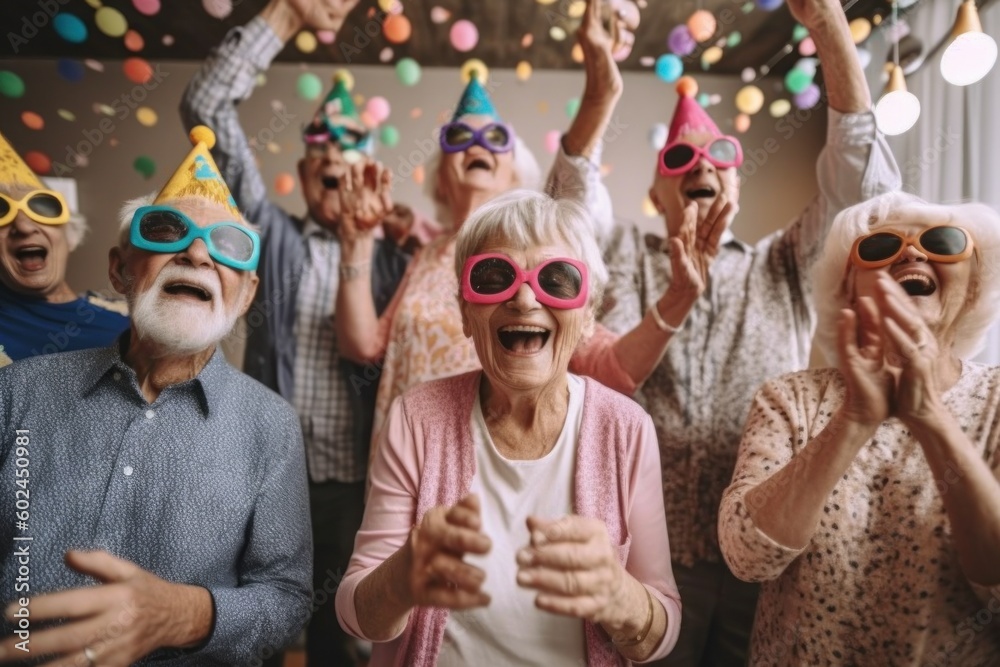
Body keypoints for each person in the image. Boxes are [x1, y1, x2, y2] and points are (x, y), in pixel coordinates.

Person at [597, 0, 902, 663]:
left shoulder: (785, 261)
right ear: (657, 192)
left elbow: (863, 190)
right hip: (647, 556)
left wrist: (827, 28)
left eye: (718, 155)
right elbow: (602, 371)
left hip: (766, 558)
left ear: (735, 176)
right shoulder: (621, 255)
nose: (700, 165)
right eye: (680, 156)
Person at [0, 126, 312, 665]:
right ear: (121, 269)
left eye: (229, 247)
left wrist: (186, 614)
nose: (195, 252)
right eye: (166, 231)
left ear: (245, 295)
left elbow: (287, 598)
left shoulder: (272, 426)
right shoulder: (17, 393)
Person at [334, 0, 688, 471]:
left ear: (516, 175)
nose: (476, 146)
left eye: (493, 140)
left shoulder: (541, 255)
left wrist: (676, 302)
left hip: (494, 464)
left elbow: (613, 368)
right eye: (460, 140)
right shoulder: (425, 256)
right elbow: (364, 346)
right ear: (443, 179)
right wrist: (356, 244)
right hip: (406, 459)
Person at [180, 1, 432, 662]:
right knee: (245, 629)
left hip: (355, 484)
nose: (335, 156)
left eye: (350, 147)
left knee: (342, 642)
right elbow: (206, 106)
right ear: (305, 159)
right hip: (263, 473)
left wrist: (401, 234)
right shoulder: (265, 230)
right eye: (321, 142)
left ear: (370, 171)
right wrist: (286, 16)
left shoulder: (396, 257)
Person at [335, 190, 682, 666]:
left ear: (587, 317)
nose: (523, 299)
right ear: (464, 313)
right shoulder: (417, 417)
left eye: (556, 280)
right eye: (494, 277)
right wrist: (402, 578)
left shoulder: (627, 429)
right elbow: (354, 612)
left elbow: (662, 627)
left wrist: (621, 597)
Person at [718, 191, 1000, 664]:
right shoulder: (788, 399)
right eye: (879, 247)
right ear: (849, 289)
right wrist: (853, 419)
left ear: (973, 288)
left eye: (943, 242)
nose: (912, 253)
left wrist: (928, 414)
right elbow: (747, 557)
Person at [0, 131, 128, 367]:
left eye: (41, 209)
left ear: (69, 236)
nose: (24, 226)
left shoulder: (132, 321)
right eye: (2, 212)